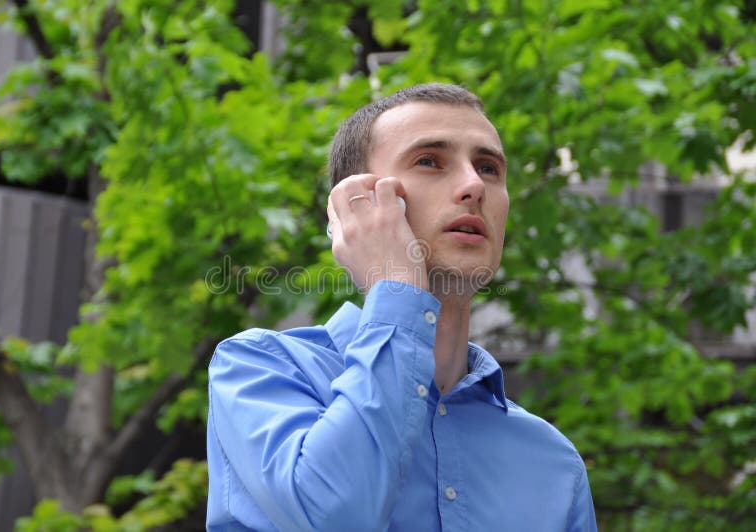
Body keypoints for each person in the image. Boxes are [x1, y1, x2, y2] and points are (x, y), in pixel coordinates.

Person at [206, 83, 597, 531]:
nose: (473, 186)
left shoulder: (554, 463)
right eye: (429, 161)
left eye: (489, 168)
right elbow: (337, 517)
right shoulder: (259, 369)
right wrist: (396, 281)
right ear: (355, 206)